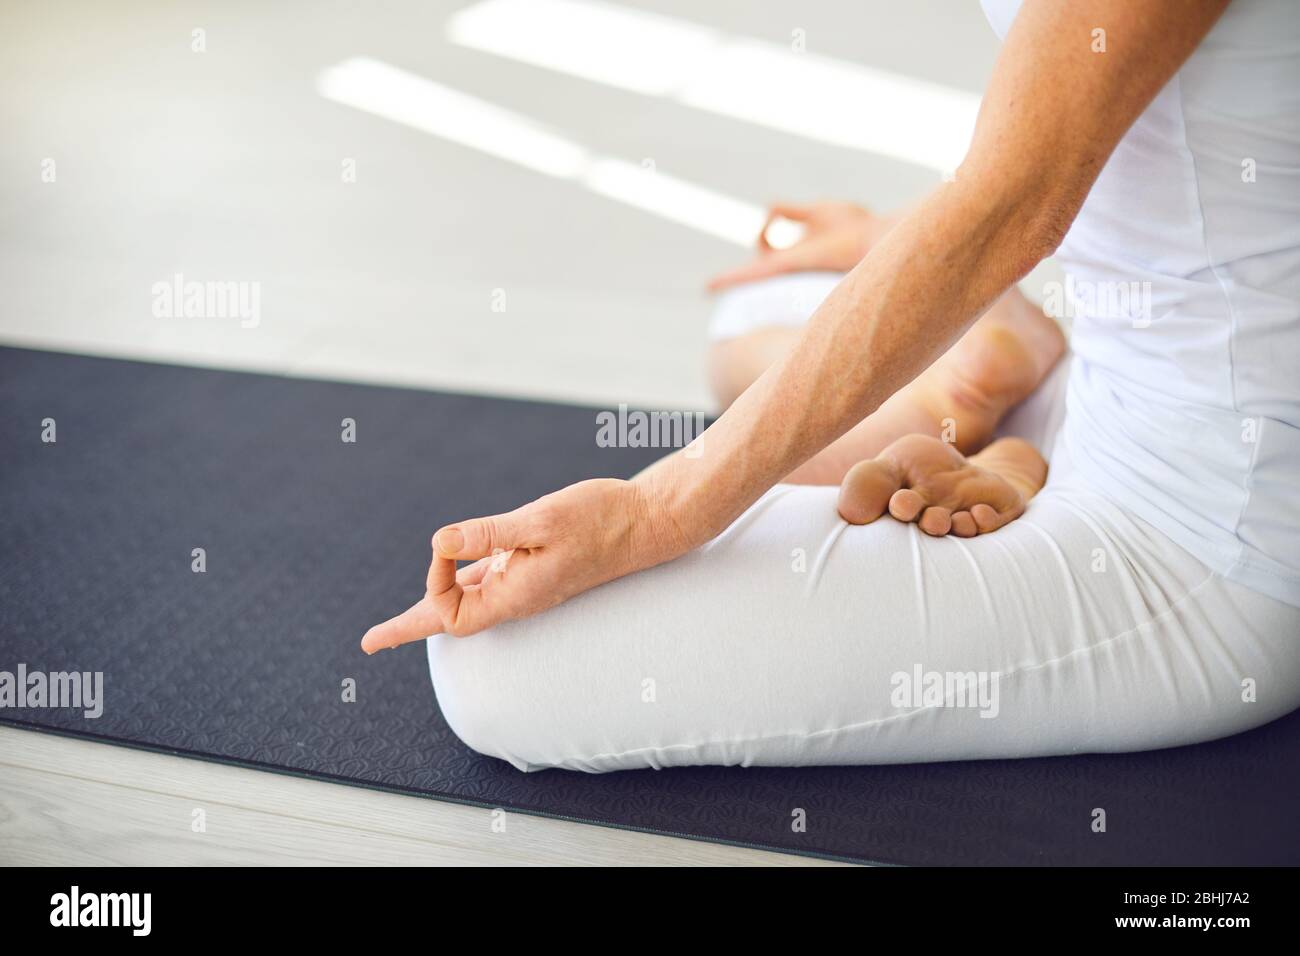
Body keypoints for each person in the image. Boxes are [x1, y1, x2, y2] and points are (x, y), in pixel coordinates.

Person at [362, 0, 1300, 772]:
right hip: (1122, 367)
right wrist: (911, 232)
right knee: (747, 315)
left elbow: (1021, 197)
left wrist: (654, 514)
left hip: (1207, 537)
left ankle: (1011, 422)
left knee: (495, 662)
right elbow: (1069, 135)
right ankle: (1015, 420)